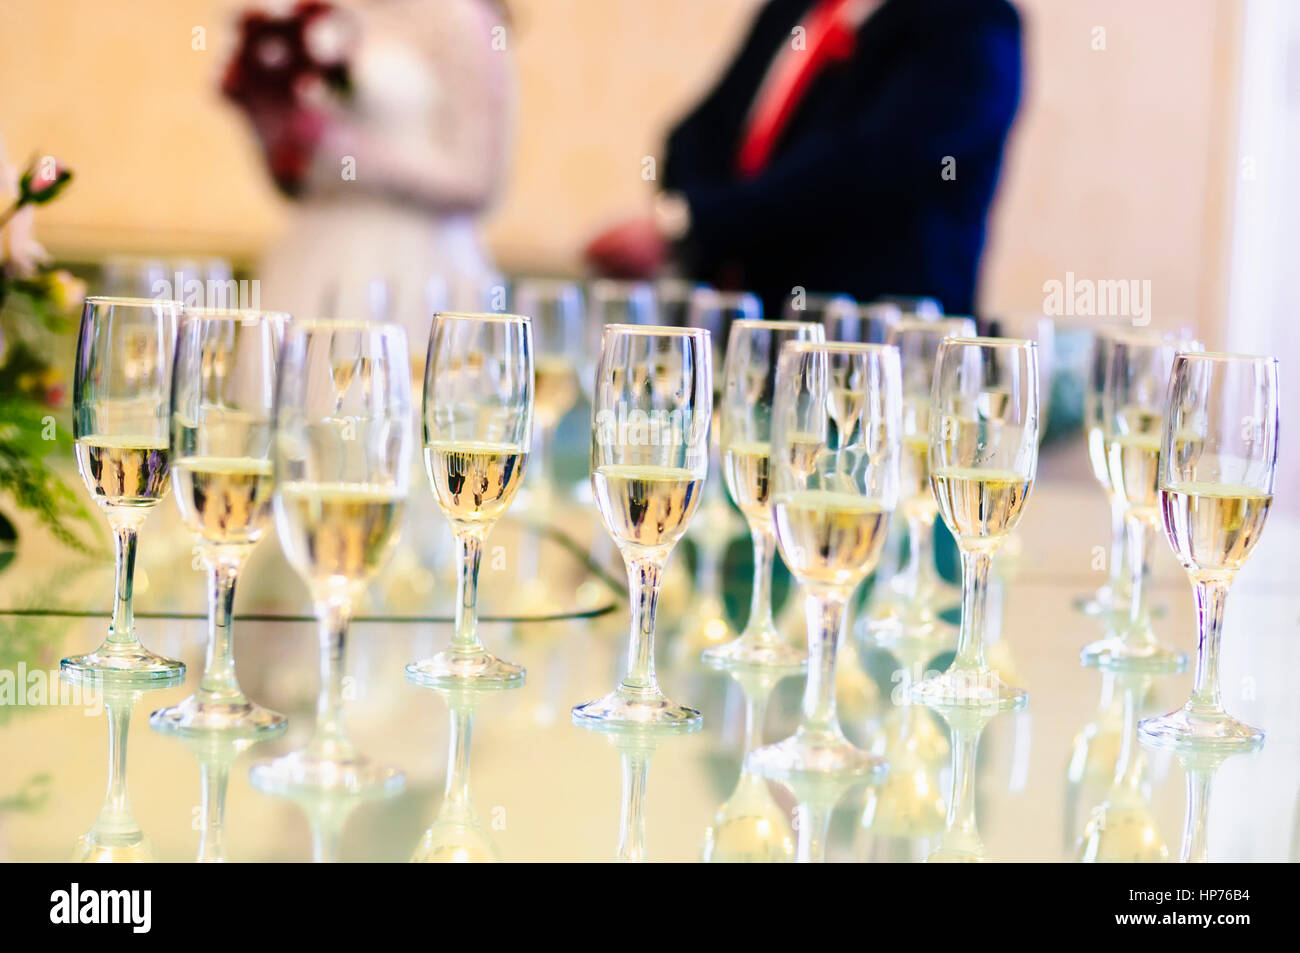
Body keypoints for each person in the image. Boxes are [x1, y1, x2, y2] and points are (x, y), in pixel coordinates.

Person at [586, 0, 1022, 319]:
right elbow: (697, 133)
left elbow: (862, 170)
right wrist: (681, 221)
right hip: (750, 337)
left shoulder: (971, 20)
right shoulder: (792, 10)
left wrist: (688, 224)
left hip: (876, 353)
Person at [224, 0, 511, 346]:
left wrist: (346, 150)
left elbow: (478, 183)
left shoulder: (458, 18)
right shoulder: (302, 13)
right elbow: (291, 185)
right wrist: (268, 125)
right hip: (312, 260)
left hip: (418, 266)